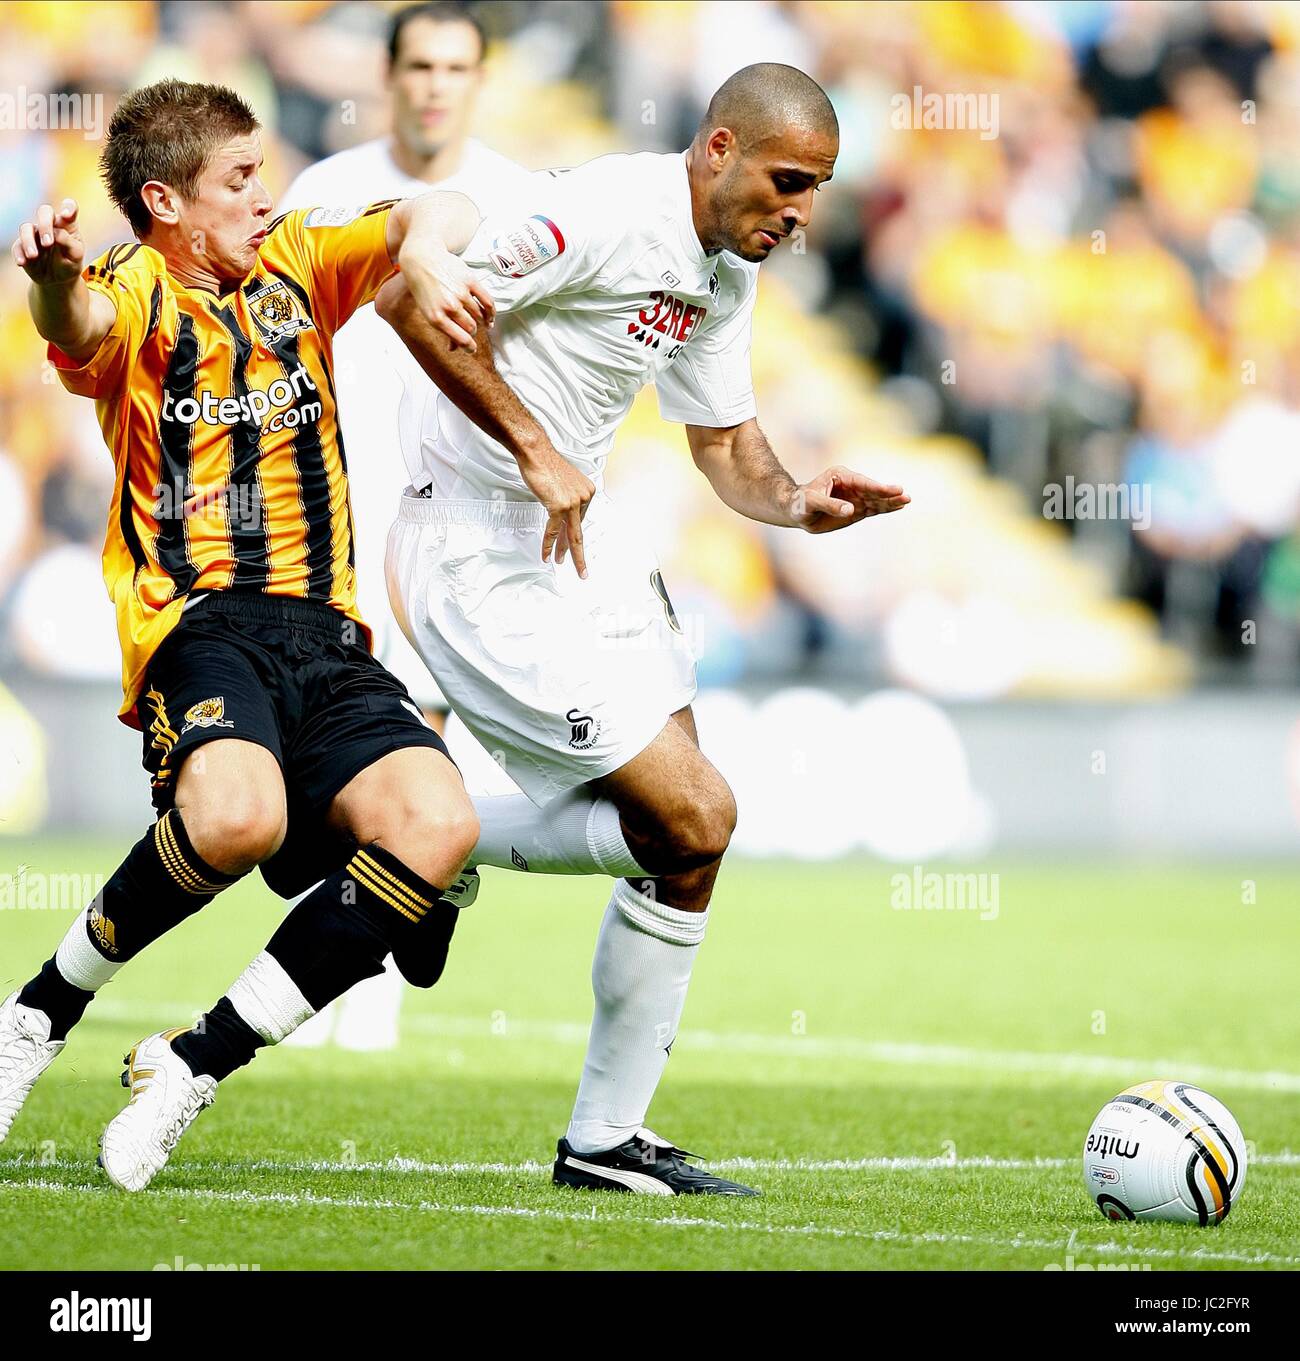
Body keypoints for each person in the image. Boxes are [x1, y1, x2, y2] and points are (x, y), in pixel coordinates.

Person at [130, 63, 910, 1197]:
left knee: (685, 842)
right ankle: (411, 845)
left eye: (817, 190)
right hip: (474, 555)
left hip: (576, 544)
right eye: (788, 181)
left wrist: (797, 502)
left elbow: (722, 444)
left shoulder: (722, 271)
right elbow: (407, 305)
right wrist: (535, 445)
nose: (799, 212)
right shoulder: (600, 214)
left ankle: (602, 1133)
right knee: (698, 809)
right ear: (719, 147)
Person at [0, 77, 488, 1192]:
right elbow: (74, 327)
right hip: (202, 625)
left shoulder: (299, 262)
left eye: (262, 170)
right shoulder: (125, 295)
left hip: (327, 629)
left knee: (437, 825)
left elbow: (438, 208)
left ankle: (191, 1064)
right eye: (238, 179)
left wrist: (426, 248)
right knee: (236, 816)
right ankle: (36, 1013)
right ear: (166, 202)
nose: (265, 195)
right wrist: (47, 283)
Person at [275, 1, 532, 1053]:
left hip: (467, 508)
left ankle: (372, 961)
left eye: (454, 67)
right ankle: (415, 904)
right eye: (418, 64)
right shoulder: (327, 192)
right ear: (389, 74)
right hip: (339, 505)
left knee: (419, 735)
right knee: (337, 755)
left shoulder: (521, 199)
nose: (435, 84)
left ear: (479, 79)